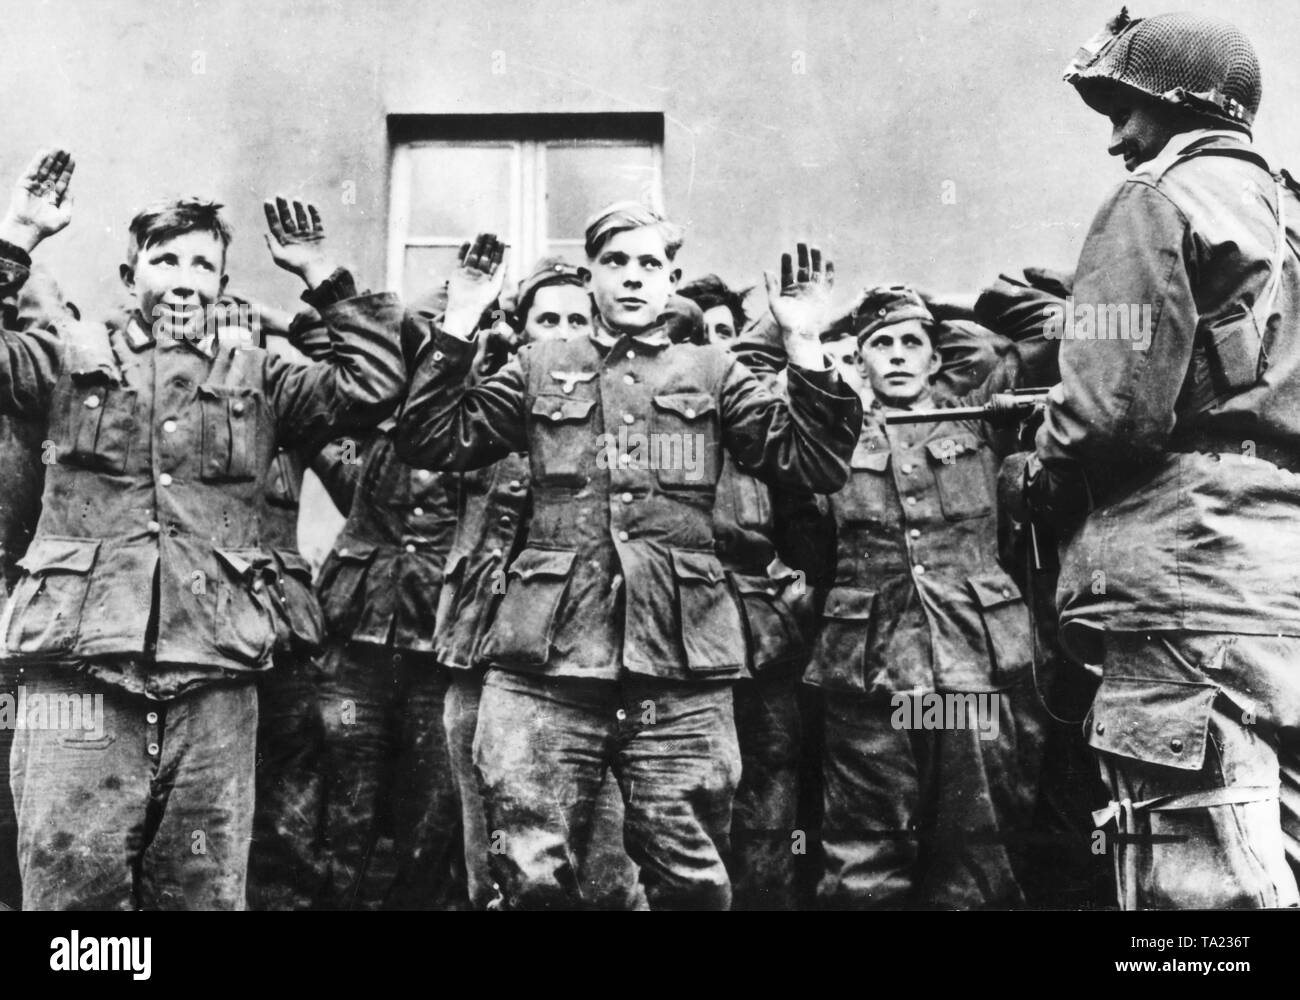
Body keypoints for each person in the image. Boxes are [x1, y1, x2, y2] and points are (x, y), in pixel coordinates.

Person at [394, 204, 862, 910]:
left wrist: (803, 342)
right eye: (617, 263)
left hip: (678, 665)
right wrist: (459, 321)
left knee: (691, 878)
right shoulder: (539, 365)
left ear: (671, 280)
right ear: (591, 279)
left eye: (650, 265)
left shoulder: (714, 370)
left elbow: (812, 462)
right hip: (547, 663)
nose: (634, 278)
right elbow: (431, 438)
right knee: (528, 872)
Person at [0, 150, 405, 910]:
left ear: (222, 288)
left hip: (214, 674)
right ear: (130, 278)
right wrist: (16, 236)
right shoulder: (63, 357)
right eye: (165, 260)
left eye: (202, 266)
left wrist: (321, 277)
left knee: (202, 892)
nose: (184, 278)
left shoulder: (262, 377)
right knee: (70, 893)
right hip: (79, 674)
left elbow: (373, 382)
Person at [1024, 9, 1300, 909]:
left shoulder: (1158, 199)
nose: (1117, 141)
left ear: (1175, 102)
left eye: (1125, 111)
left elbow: (1111, 412)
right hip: (1277, 580)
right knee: (1273, 849)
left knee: (1195, 887)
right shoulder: (1288, 216)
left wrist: (1039, 467)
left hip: (1184, 584)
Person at [803, 285, 1056, 909]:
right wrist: (814, 327)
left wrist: (938, 308)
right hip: (872, 679)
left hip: (970, 667)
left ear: (935, 357)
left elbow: (1041, 333)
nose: (895, 355)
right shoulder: (831, 436)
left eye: (911, 343)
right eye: (879, 344)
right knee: (865, 849)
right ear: (857, 360)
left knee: (974, 845)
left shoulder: (977, 416)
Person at [438, 255, 645, 909]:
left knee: (611, 871)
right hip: (483, 659)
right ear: (520, 329)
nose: (562, 333)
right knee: (502, 869)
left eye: (577, 320)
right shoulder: (483, 413)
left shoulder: (622, 418)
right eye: (546, 318)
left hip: (591, 671)